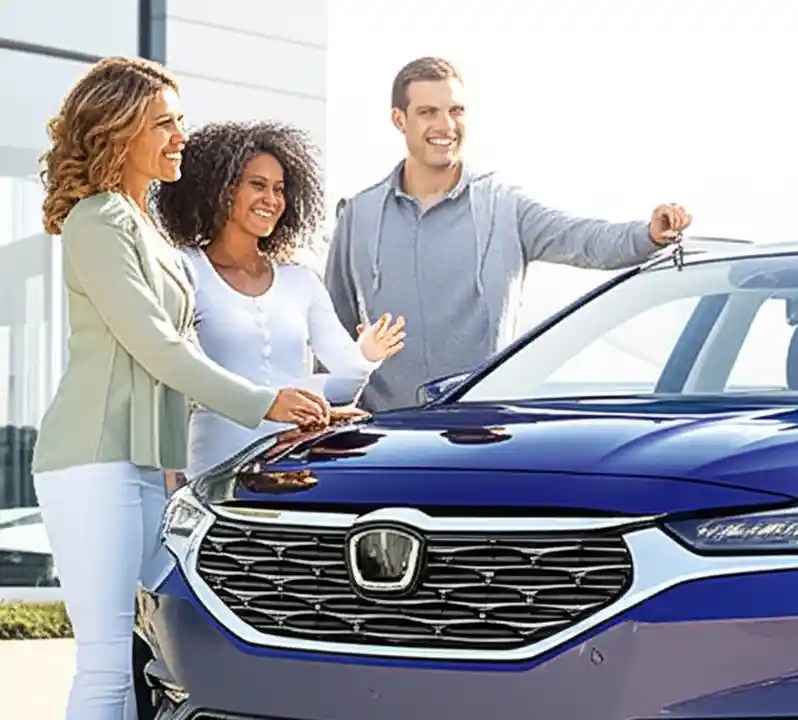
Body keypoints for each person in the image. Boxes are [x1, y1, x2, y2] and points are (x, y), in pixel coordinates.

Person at [30, 57, 329, 720]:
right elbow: (156, 347)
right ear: (121, 131)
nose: (179, 137)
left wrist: (308, 404)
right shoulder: (98, 221)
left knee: (144, 661)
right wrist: (264, 402)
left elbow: (192, 352)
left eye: (180, 122)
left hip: (138, 467)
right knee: (109, 665)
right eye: (165, 123)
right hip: (90, 460)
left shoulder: (146, 229)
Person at [325, 56, 694, 412]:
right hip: (381, 441)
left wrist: (648, 234)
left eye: (456, 111)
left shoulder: (503, 206)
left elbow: (582, 240)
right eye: (428, 112)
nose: (446, 126)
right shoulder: (359, 214)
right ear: (398, 119)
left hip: (478, 432)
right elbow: (330, 335)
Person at [152, 120, 408, 478]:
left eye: (279, 189)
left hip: (289, 468)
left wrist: (365, 356)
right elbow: (177, 374)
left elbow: (344, 386)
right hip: (213, 470)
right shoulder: (185, 270)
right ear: (220, 190)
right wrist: (169, 474)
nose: (271, 200)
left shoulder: (301, 282)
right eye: (258, 185)